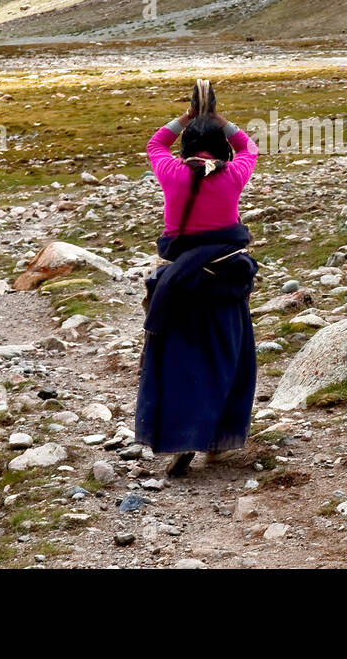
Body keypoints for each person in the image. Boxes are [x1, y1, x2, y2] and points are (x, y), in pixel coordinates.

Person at [136, 80, 260, 477]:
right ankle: (217, 441)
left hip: (180, 286)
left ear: (187, 147)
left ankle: (182, 434)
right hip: (223, 283)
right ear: (221, 148)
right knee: (229, 361)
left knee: (179, 363)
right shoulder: (234, 174)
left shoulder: (171, 172)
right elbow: (249, 147)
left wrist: (185, 118)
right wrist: (220, 121)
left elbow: (155, 144)